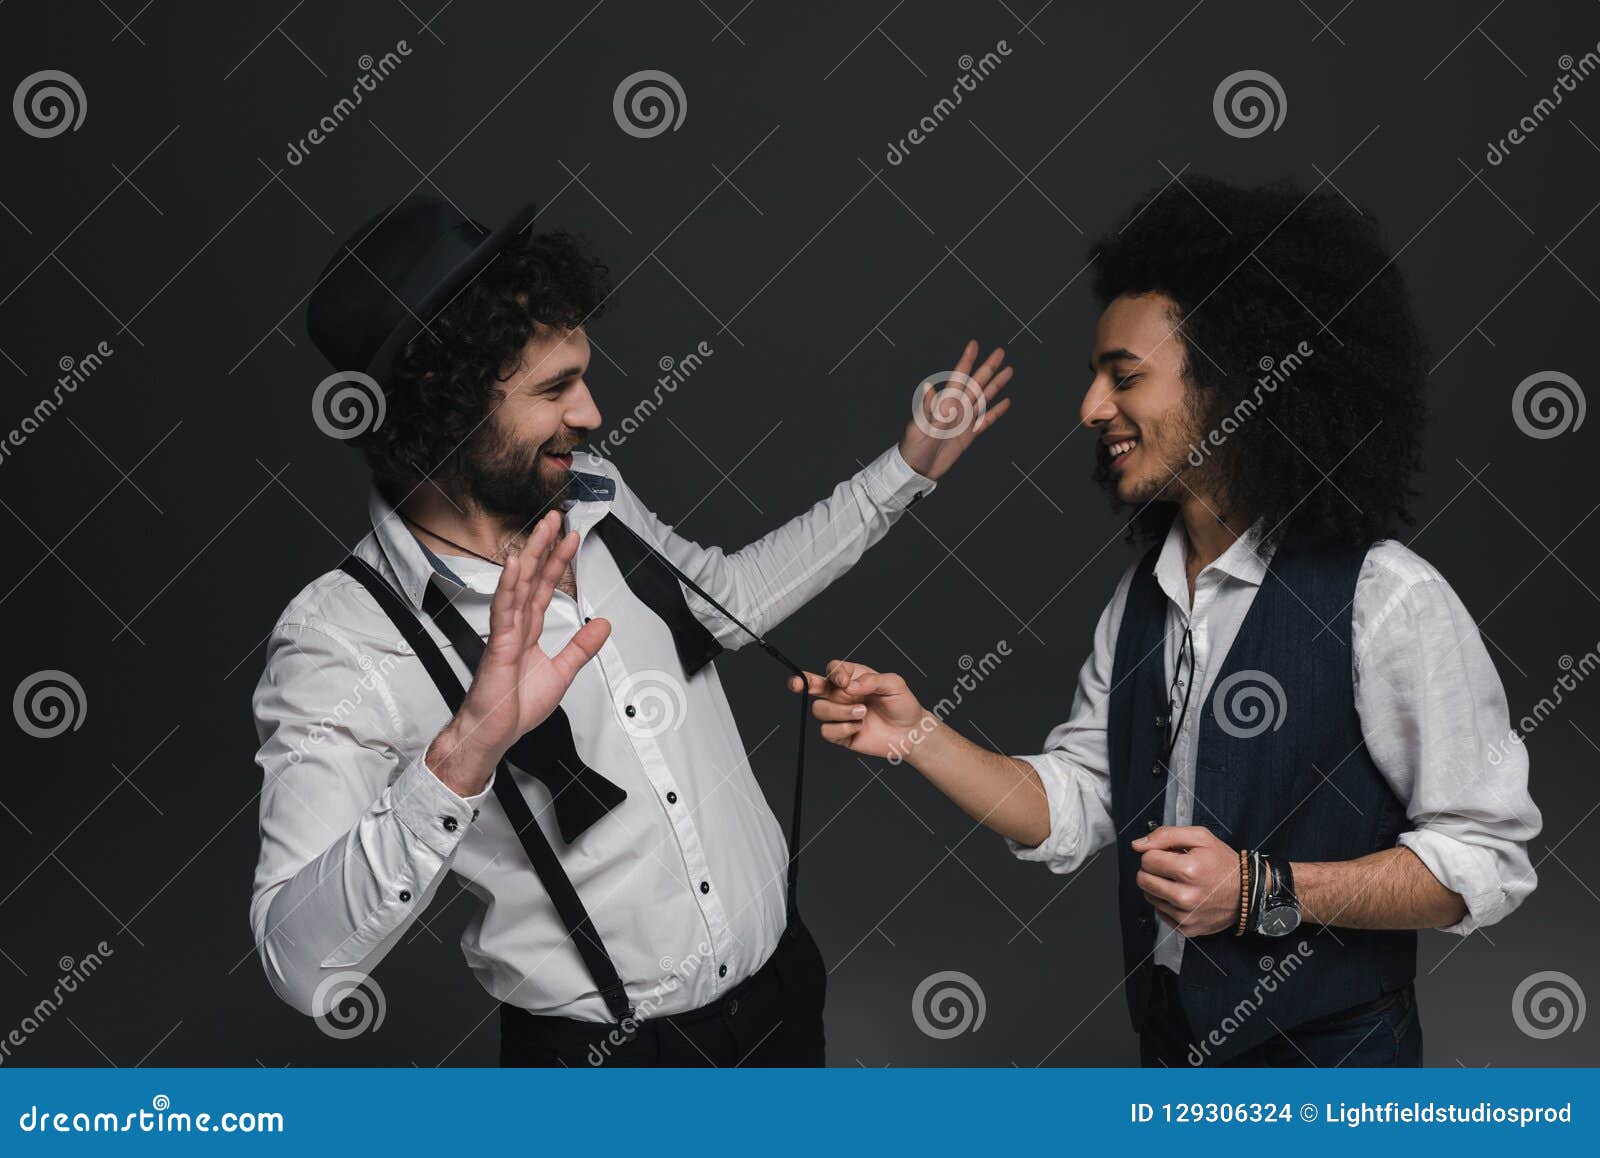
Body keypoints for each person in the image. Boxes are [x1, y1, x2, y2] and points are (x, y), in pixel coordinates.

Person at [249, 193, 1014, 1066]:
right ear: (441, 401)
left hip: (784, 1007)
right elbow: (297, 961)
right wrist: (464, 751)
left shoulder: (594, 495)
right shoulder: (340, 639)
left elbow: (721, 600)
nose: (592, 413)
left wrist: (902, 473)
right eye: (555, 388)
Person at [791, 177, 1541, 1067]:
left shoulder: (1390, 598)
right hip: (1173, 1048)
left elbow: (1483, 859)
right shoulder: (1141, 599)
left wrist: (1263, 891)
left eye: (1125, 376)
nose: (1090, 408)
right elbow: (1073, 805)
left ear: (1235, 387)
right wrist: (916, 735)